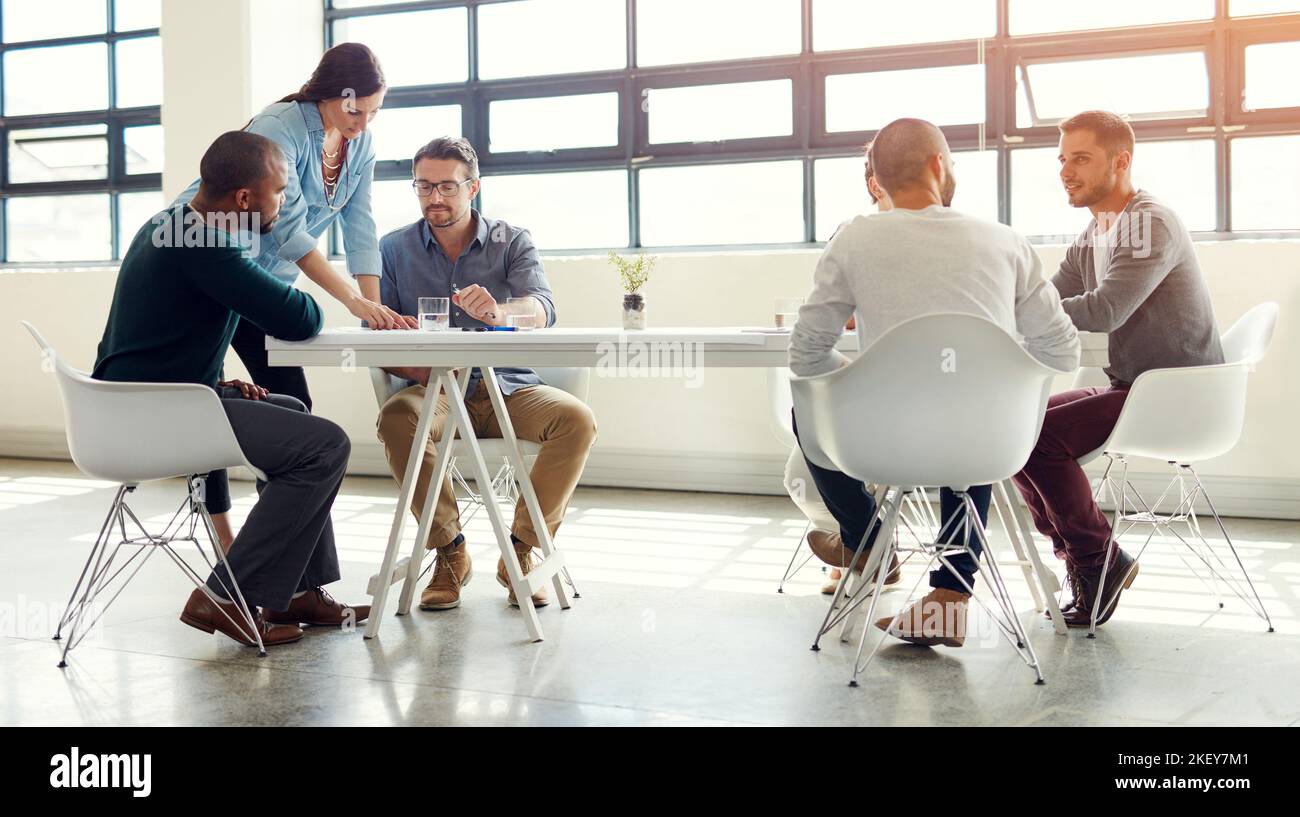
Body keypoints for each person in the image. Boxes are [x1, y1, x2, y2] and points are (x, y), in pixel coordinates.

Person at [790, 118, 1080, 647]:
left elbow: (805, 353)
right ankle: (950, 594)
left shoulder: (854, 239)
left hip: (880, 445)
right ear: (937, 164)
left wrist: (855, 382)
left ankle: (867, 541)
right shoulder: (1006, 242)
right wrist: (1000, 369)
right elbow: (1062, 351)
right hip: (991, 446)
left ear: (876, 178)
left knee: (803, 405)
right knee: (975, 410)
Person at [94, 130, 370, 647]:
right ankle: (224, 594)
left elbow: (166, 337)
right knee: (326, 445)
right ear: (245, 198)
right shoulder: (206, 245)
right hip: (152, 415)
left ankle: (297, 592)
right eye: (280, 192)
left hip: (147, 402)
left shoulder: (170, 226)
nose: (285, 203)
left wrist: (219, 383)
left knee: (295, 414)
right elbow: (300, 318)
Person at [173, 43, 416, 551]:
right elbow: (289, 231)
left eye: (374, 113)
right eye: (356, 109)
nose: (363, 123)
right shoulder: (279, 126)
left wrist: (376, 316)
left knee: (294, 411)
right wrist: (354, 302)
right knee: (205, 404)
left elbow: (361, 226)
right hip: (214, 269)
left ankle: (280, 553)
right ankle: (227, 546)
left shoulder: (360, 145)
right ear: (327, 93)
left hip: (268, 283)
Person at [1011, 110, 1224, 628]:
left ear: (1121, 160)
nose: (1066, 171)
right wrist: (995, 306)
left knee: (1036, 436)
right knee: (1012, 427)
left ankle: (1095, 561)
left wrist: (1023, 313)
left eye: (1081, 158)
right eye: (1062, 159)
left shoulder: (1148, 222)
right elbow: (1053, 293)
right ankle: (1091, 561)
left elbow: (1104, 310)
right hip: (1137, 387)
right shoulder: (1097, 228)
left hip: (1178, 394)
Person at [374, 137, 598, 611]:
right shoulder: (393, 249)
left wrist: (501, 312)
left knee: (576, 421)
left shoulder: (511, 240)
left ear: (473, 187)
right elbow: (377, 334)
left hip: (510, 387)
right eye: (424, 186)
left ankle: (520, 550)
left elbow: (543, 309)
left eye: (447, 187)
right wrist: (420, 362)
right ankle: (450, 551)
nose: (435, 197)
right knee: (397, 417)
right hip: (434, 387)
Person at [784, 145, 899, 594]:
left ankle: (867, 546)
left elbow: (814, 337)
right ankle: (867, 551)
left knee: (811, 418)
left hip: (899, 413)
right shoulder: (853, 236)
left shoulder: (856, 235)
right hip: (977, 433)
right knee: (805, 463)